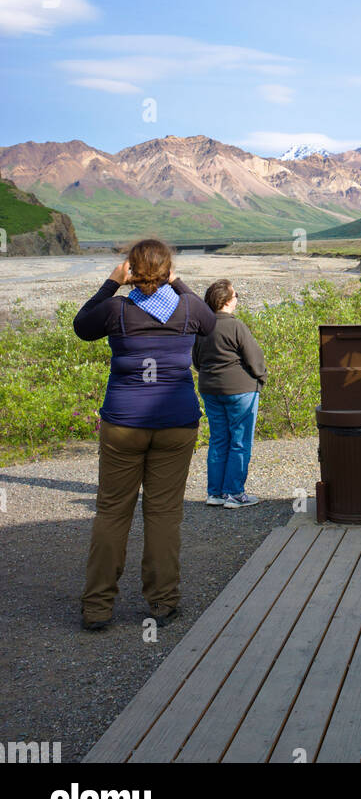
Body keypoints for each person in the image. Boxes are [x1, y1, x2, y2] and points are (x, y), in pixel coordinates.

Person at [73, 238, 216, 631]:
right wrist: (180, 283)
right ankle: (162, 603)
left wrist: (110, 282)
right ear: (168, 270)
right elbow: (211, 321)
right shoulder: (187, 307)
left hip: (123, 423)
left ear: (131, 271)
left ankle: (98, 608)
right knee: (164, 513)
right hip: (176, 423)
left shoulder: (116, 308)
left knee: (112, 512)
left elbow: (81, 327)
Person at [192, 279, 265, 508]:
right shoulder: (236, 326)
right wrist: (261, 378)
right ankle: (235, 493)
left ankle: (215, 493)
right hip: (241, 390)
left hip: (210, 389)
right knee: (240, 442)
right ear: (225, 301)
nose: (236, 300)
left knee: (218, 440)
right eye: (235, 296)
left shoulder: (202, 328)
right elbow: (255, 359)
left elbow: (196, 361)